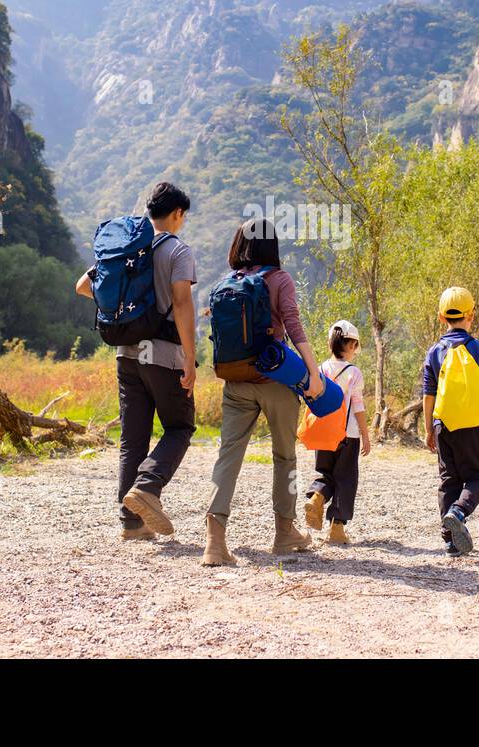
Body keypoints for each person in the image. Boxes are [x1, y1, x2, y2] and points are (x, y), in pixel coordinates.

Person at [76, 182, 197, 541]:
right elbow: (182, 304)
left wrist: (123, 311)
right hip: (162, 355)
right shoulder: (177, 251)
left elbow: (83, 286)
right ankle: (147, 487)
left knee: (133, 439)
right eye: (184, 216)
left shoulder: (127, 248)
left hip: (126, 353)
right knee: (179, 427)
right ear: (177, 214)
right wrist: (190, 360)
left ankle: (132, 524)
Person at [203, 218, 325, 565]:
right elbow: (295, 327)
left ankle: (214, 540)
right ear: (271, 245)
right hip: (276, 380)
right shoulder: (279, 279)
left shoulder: (227, 282)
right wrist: (313, 374)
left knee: (229, 455)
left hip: (236, 380)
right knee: (285, 458)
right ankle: (285, 533)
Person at [420, 286, 479, 556]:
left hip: (444, 424)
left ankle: (451, 542)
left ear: (441, 317)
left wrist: (429, 428)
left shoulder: (434, 352)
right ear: (472, 316)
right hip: (474, 424)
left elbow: (428, 393)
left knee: (448, 480)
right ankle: (458, 512)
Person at [303, 320, 370, 545]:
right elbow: (358, 406)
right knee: (346, 479)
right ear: (350, 345)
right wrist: (366, 434)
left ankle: (317, 496)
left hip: (323, 431)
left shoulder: (319, 368)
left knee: (325, 472)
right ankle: (337, 530)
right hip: (347, 434)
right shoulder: (354, 373)